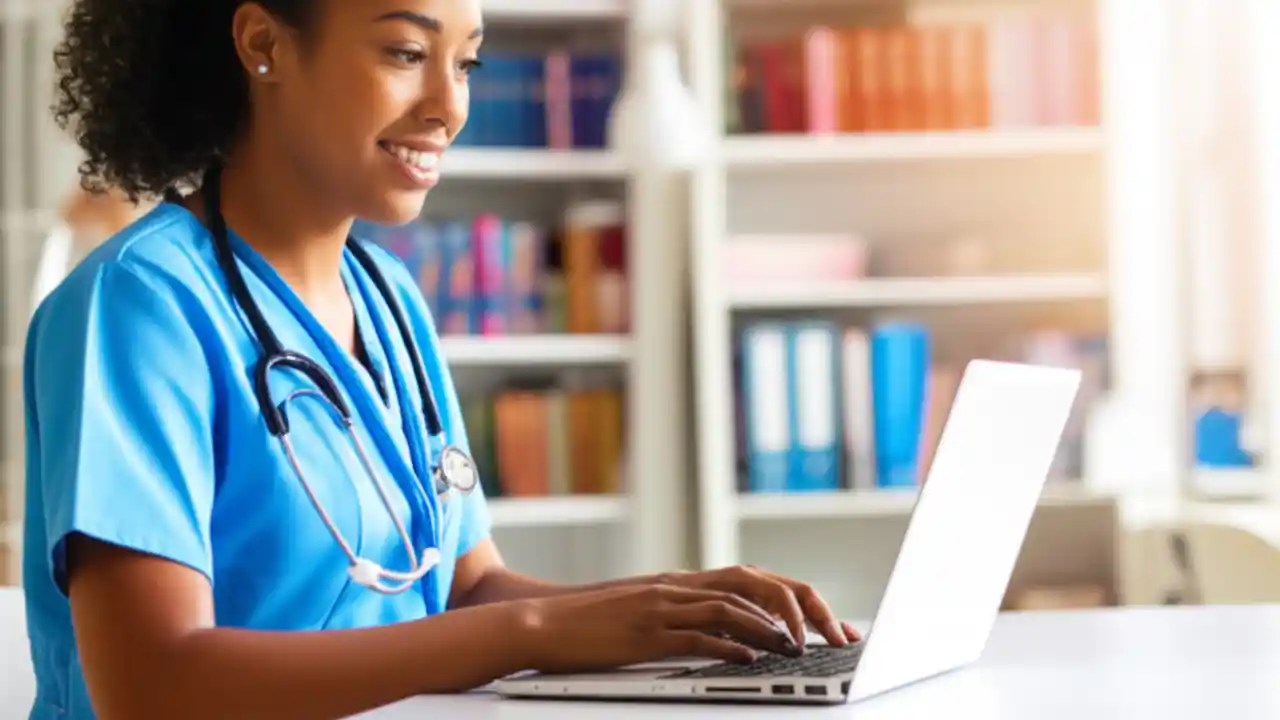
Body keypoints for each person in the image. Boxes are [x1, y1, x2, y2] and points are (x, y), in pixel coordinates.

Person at [23, 1, 859, 718]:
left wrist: (676, 611)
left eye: (466, 62)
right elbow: (151, 685)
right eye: (407, 53)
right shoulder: (139, 304)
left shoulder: (387, 297)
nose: (448, 106)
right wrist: (532, 635)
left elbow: (464, 590)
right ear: (262, 44)